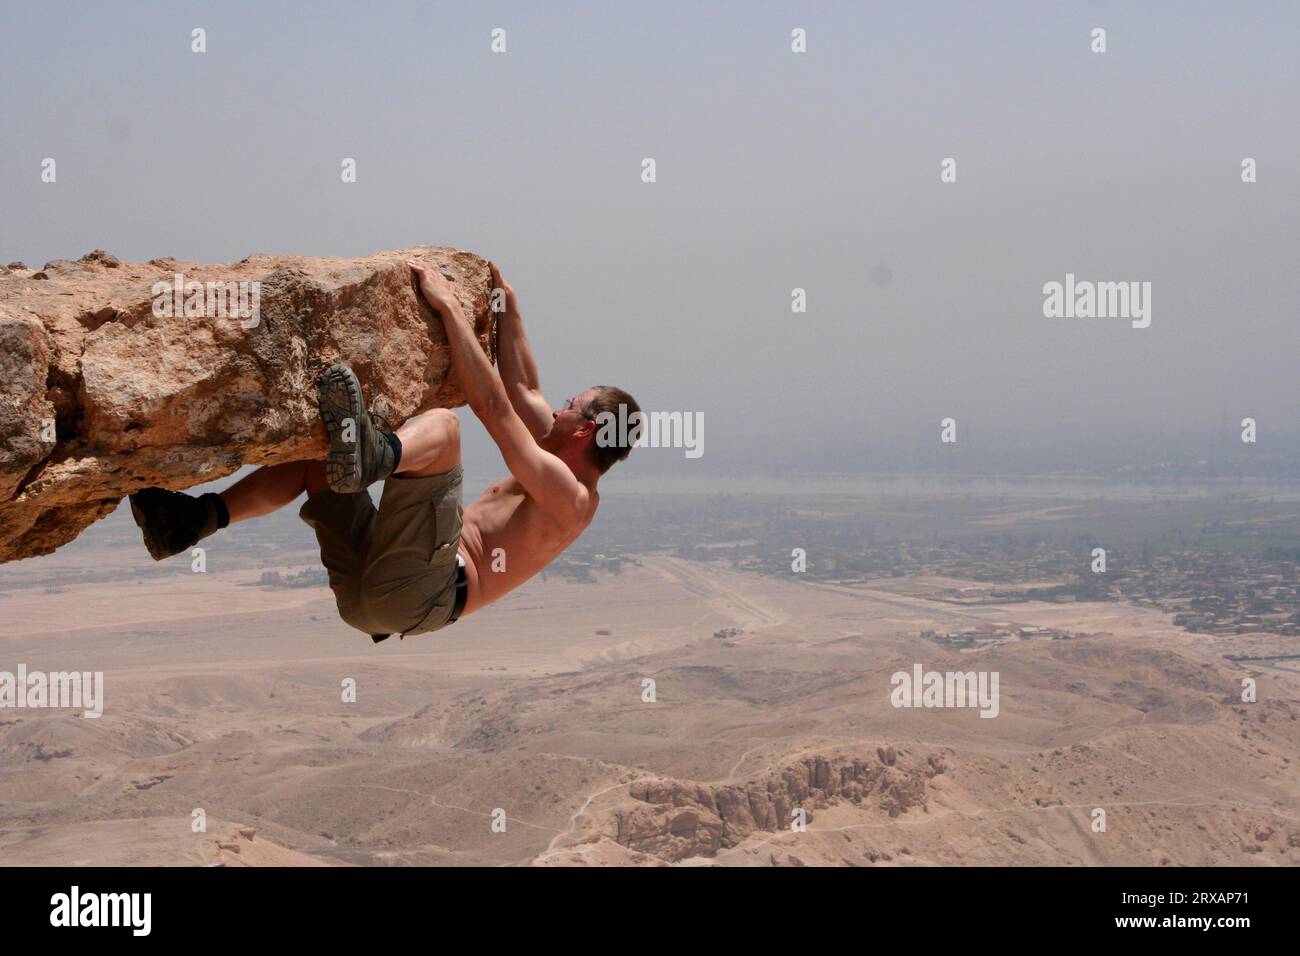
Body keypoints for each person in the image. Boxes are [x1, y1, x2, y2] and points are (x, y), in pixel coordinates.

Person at [129, 260, 641, 642]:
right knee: (319, 459)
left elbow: (493, 406)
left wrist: (448, 306)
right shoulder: (559, 451)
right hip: (371, 598)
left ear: (586, 431)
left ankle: (378, 457)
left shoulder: (568, 497)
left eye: (572, 405)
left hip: (423, 593)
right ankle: (191, 521)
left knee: (445, 429)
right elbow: (524, 388)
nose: (559, 407)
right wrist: (505, 297)